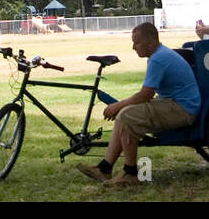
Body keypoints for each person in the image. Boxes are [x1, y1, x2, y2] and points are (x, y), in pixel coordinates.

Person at [77, 23, 201, 188]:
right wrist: (122, 106)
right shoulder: (158, 55)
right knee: (126, 114)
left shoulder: (158, 58)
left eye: (137, 42)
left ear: (150, 41)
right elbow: (146, 95)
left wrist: (118, 105)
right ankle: (104, 169)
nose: (133, 47)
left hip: (182, 109)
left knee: (128, 115)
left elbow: (145, 95)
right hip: (175, 103)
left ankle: (130, 173)